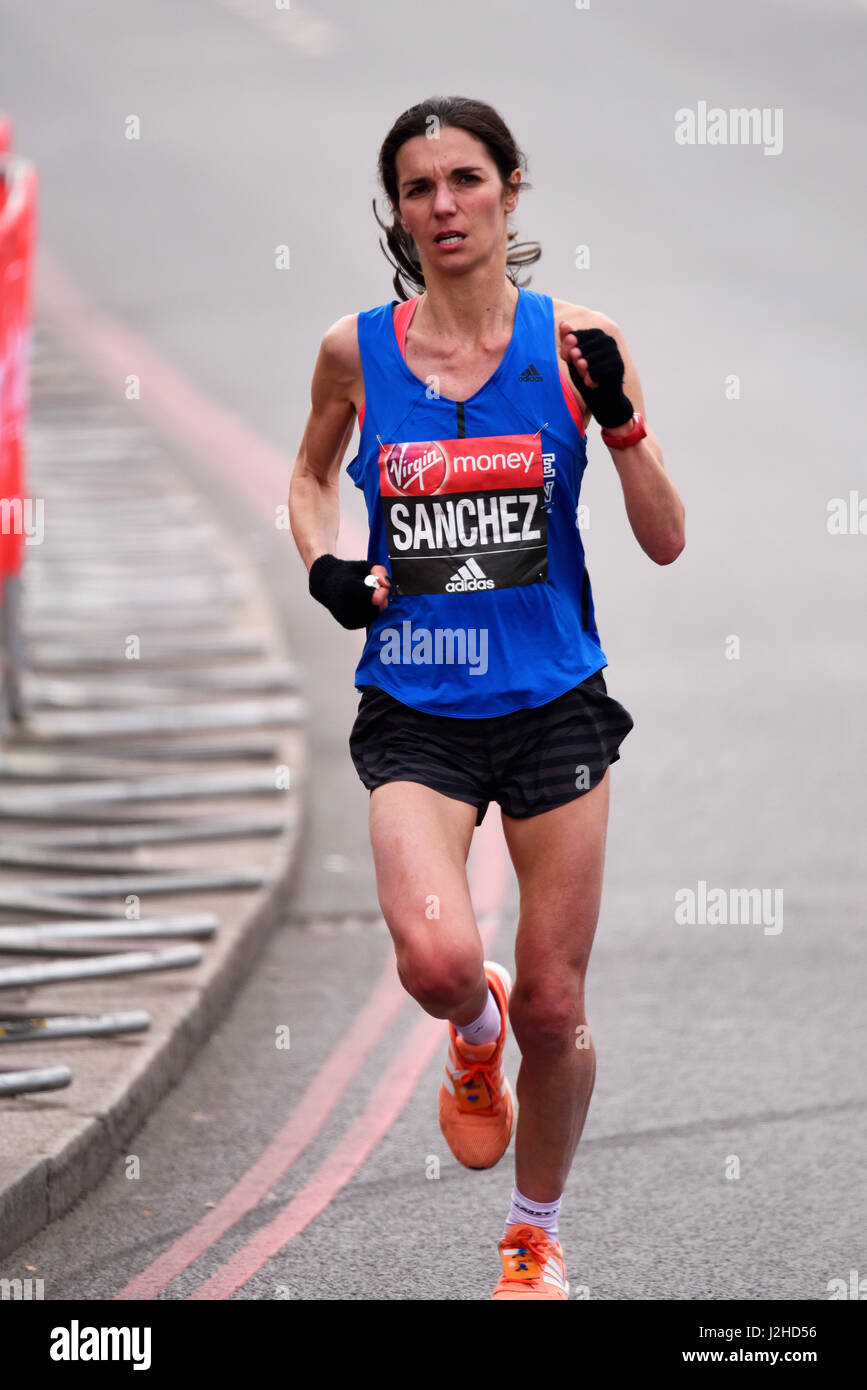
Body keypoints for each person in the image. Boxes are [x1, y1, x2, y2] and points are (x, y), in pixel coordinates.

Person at [289, 95, 685, 1300]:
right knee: (436, 956)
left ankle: (533, 1236)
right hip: (415, 705)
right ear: (396, 214)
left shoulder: (575, 340)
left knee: (558, 1008)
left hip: (555, 699)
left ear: (513, 188)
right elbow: (308, 479)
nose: (444, 206)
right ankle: (472, 1030)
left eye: (465, 179)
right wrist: (324, 564)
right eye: (418, 189)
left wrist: (619, 422)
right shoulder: (355, 352)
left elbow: (665, 540)